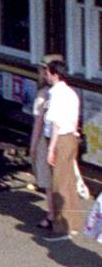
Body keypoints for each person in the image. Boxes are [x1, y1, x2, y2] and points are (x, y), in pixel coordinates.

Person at [42, 59, 87, 239]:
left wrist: (51, 149)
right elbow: (74, 121)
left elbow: (56, 124)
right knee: (68, 182)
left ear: (54, 74)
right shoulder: (71, 93)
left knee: (59, 184)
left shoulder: (56, 94)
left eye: (47, 72)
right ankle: (74, 223)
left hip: (60, 139)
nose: (45, 75)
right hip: (71, 138)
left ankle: (61, 227)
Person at [28, 56, 60, 231]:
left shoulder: (43, 94)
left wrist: (32, 145)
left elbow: (39, 122)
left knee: (47, 181)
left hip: (44, 140)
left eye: (42, 70)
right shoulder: (62, 91)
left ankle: (51, 215)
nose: (40, 74)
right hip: (56, 139)